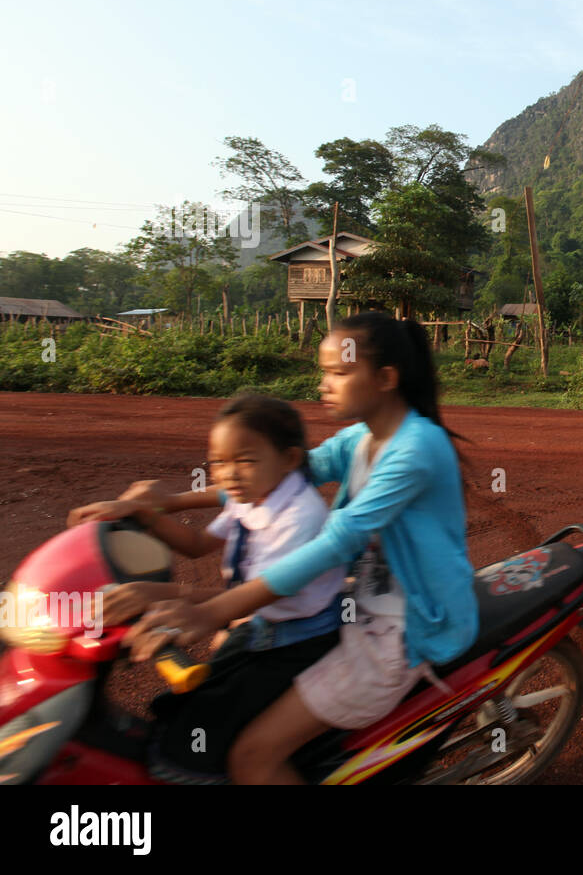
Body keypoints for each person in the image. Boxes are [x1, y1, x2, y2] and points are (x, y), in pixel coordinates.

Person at [127, 312, 479, 785]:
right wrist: (167, 501)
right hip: (359, 604)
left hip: (403, 628)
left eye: (338, 371)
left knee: (253, 757)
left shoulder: (416, 448)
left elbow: (341, 539)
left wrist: (215, 611)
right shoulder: (362, 438)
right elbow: (273, 474)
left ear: (385, 378)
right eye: (324, 371)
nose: (324, 384)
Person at [71, 392, 344, 783]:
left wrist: (163, 595)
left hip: (295, 647)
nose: (228, 474)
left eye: (245, 460)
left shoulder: (299, 517)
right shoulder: (252, 497)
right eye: (218, 462)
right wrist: (145, 515)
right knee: (182, 709)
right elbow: (197, 545)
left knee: (211, 745)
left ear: (289, 459)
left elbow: (247, 598)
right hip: (259, 632)